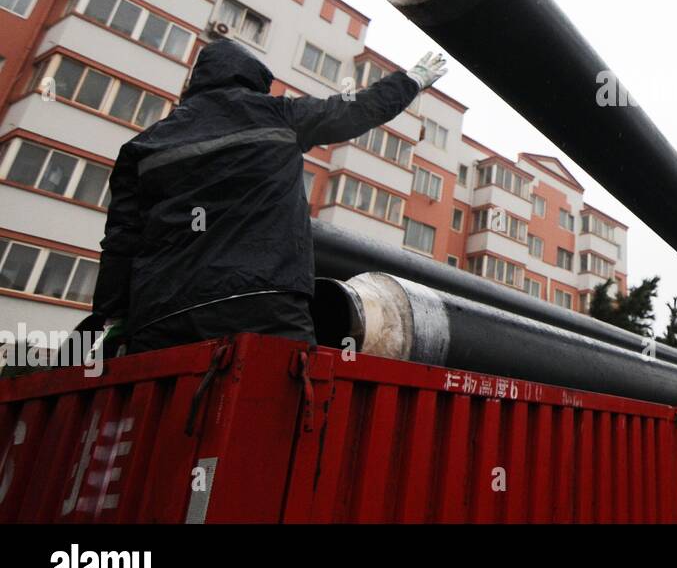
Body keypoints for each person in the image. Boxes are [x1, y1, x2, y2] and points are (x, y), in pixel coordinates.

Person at [90, 39, 447, 353]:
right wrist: (411, 80)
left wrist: (113, 313)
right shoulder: (278, 116)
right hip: (264, 305)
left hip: (162, 314)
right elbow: (355, 110)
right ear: (256, 82)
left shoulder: (144, 145)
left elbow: (121, 240)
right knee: (274, 412)